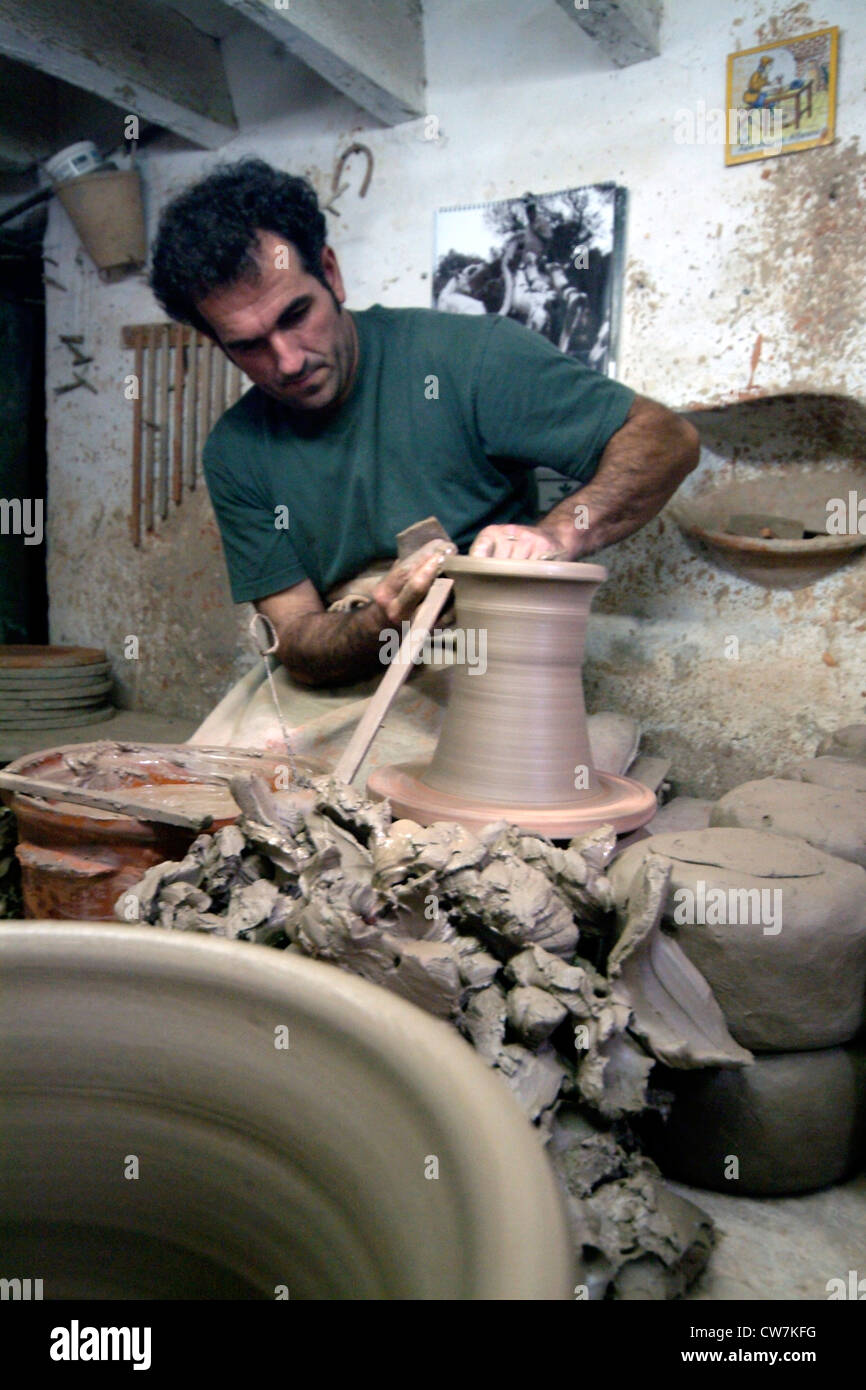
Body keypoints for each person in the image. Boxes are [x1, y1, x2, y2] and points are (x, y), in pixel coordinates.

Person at [150, 159, 699, 689]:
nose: (288, 361)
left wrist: (556, 534)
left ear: (332, 274)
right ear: (216, 342)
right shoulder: (237, 448)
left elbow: (665, 439)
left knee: (444, 775)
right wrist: (378, 621)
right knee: (230, 775)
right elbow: (297, 640)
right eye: (247, 345)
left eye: (296, 316)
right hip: (347, 661)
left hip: (480, 661)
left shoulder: (470, 357)